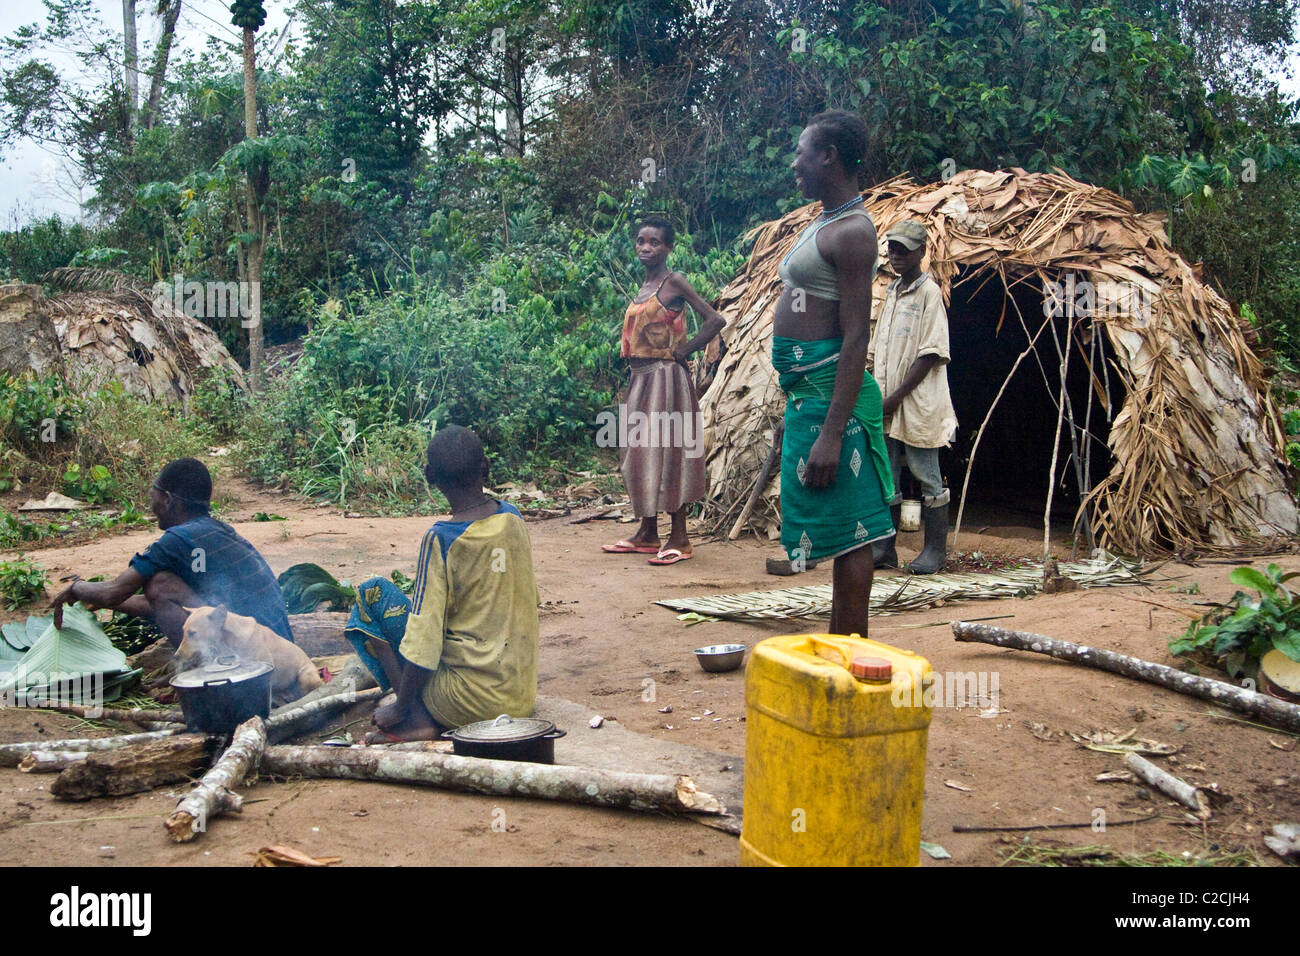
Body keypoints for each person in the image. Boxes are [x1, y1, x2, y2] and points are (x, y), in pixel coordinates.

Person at [770, 110, 896, 638]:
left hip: (831, 402)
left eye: (802, 151)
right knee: (843, 529)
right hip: (810, 394)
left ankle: (854, 647)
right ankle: (840, 641)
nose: (794, 162)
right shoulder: (824, 221)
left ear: (829, 156)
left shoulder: (853, 233)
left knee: (854, 532)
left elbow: (855, 337)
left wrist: (829, 431)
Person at [353, 425, 539, 742]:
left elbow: (423, 640)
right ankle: (419, 712)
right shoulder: (513, 517)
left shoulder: (440, 539)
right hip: (520, 696)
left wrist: (399, 706)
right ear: (486, 468)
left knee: (372, 595)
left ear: (429, 475)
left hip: (467, 705)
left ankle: (413, 718)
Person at [48, 457, 294, 646]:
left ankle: (202, 667)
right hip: (276, 644)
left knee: (158, 583)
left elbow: (114, 592)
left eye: (152, 495)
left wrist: (77, 587)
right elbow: (161, 603)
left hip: (255, 654)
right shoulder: (215, 530)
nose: (150, 503)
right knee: (162, 586)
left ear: (167, 499)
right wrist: (103, 602)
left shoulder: (177, 539)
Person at [601, 216, 726, 566]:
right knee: (640, 452)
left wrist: (685, 351)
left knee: (671, 451)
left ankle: (680, 537)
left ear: (668, 247)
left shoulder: (674, 283)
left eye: (654, 242)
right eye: (641, 241)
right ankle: (647, 532)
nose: (645, 247)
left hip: (666, 380)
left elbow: (715, 320)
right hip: (640, 379)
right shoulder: (643, 287)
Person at [868, 220, 958, 575]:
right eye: (892, 249)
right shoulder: (892, 292)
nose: (896, 256)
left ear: (922, 252)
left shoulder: (929, 294)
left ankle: (935, 550)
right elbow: (879, 348)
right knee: (886, 471)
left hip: (916, 401)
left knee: (925, 471)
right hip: (886, 399)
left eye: (904, 250)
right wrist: (877, 394)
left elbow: (930, 353)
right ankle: (885, 547)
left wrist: (897, 397)